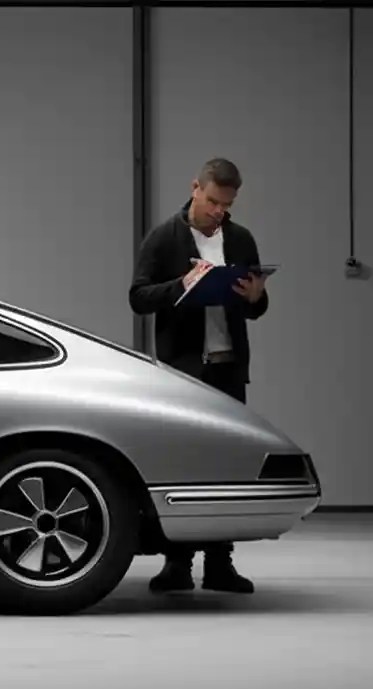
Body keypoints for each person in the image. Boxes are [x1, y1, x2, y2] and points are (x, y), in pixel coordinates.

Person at [128, 157, 268, 594]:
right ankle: (177, 564)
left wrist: (256, 297)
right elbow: (138, 297)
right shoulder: (163, 237)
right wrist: (182, 284)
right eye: (212, 202)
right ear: (195, 188)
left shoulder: (240, 239)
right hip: (183, 368)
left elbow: (256, 309)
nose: (218, 211)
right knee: (180, 461)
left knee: (228, 464)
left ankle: (220, 563)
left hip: (229, 365)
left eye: (226, 205)